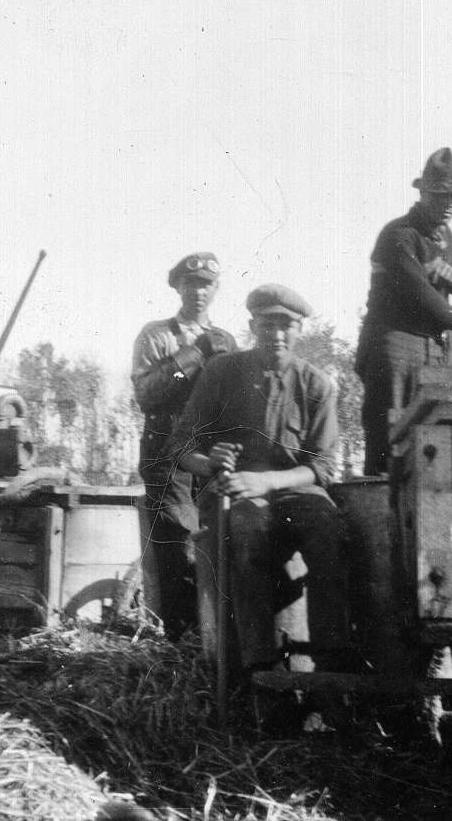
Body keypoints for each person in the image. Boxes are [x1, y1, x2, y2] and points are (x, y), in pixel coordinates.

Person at [168, 283, 351, 673]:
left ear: (300, 329)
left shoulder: (316, 384)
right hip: (234, 495)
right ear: (253, 327)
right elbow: (180, 446)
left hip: (295, 492)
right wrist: (209, 463)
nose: (277, 334)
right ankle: (261, 668)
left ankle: (332, 665)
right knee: (247, 529)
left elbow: (322, 467)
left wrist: (266, 482)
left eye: (287, 325)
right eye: (268, 325)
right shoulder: (221, 372)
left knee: (327, 528)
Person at [355, 147, 452, 476]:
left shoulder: (444, 238)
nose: (449, 204)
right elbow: (421, 294)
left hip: (431, 349)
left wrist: (446, 272)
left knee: (429, 443)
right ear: (422, 194)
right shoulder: (398, 236)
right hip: (393, 347)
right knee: (387, 441)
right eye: (441, 196)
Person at [130, 251, 237, 638]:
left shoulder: (227, 341)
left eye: (206, 285)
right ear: (178, 287)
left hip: (209, 449)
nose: (198, 291)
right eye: (191, 284)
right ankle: (180, 636)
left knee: (214, 534)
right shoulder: (156, 334)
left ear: (216, 289)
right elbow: (146, 395)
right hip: (165, 446)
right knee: (176, 537)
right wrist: (195, 353)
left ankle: (212, 634)